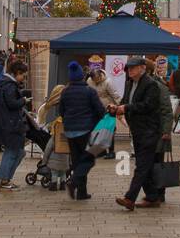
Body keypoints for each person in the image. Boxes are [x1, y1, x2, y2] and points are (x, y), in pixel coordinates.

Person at [115, 56, 170, 211]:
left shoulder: (151, 84)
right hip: (137, 130)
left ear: (142, 68)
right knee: (145, 166)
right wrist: (117, 108)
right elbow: (125, 101)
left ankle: (129, 198)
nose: (129, 71)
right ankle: (153, 197)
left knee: (142, 166)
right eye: (128, 68)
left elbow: (147, 106)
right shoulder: (129, 83)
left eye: (133, 68)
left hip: (149, 131)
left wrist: (126, 108)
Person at [56, 62, 109, 200]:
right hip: (86, 130)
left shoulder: (65, 92)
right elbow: (100, 110)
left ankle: (81, 192)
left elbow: (61, 111)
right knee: (89, 160)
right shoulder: (89, 91)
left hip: (70, 131)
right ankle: (74, 183)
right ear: (82, 77)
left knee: (77, 161)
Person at [0, 59, 29, 191]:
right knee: (12, 151)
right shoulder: (10, 86)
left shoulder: (4, 84)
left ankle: (6, 179)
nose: (23, 78)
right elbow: (12, 104)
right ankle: (5, 180)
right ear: (17, 73)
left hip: (7, 123)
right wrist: (23, 100)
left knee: (19, 152)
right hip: (10, 124)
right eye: (23, 75)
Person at [88, 68, 121, 159]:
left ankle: (111, 151)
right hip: (96, 109)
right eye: (94, 79)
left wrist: (118, 108)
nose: (96, 81)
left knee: (109, 131)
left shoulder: (108, 82)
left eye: (97, 79)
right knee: (97, 130)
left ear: (100, 75)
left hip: (109, 109)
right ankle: (101, 151)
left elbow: (115, 95)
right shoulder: (89, 81)